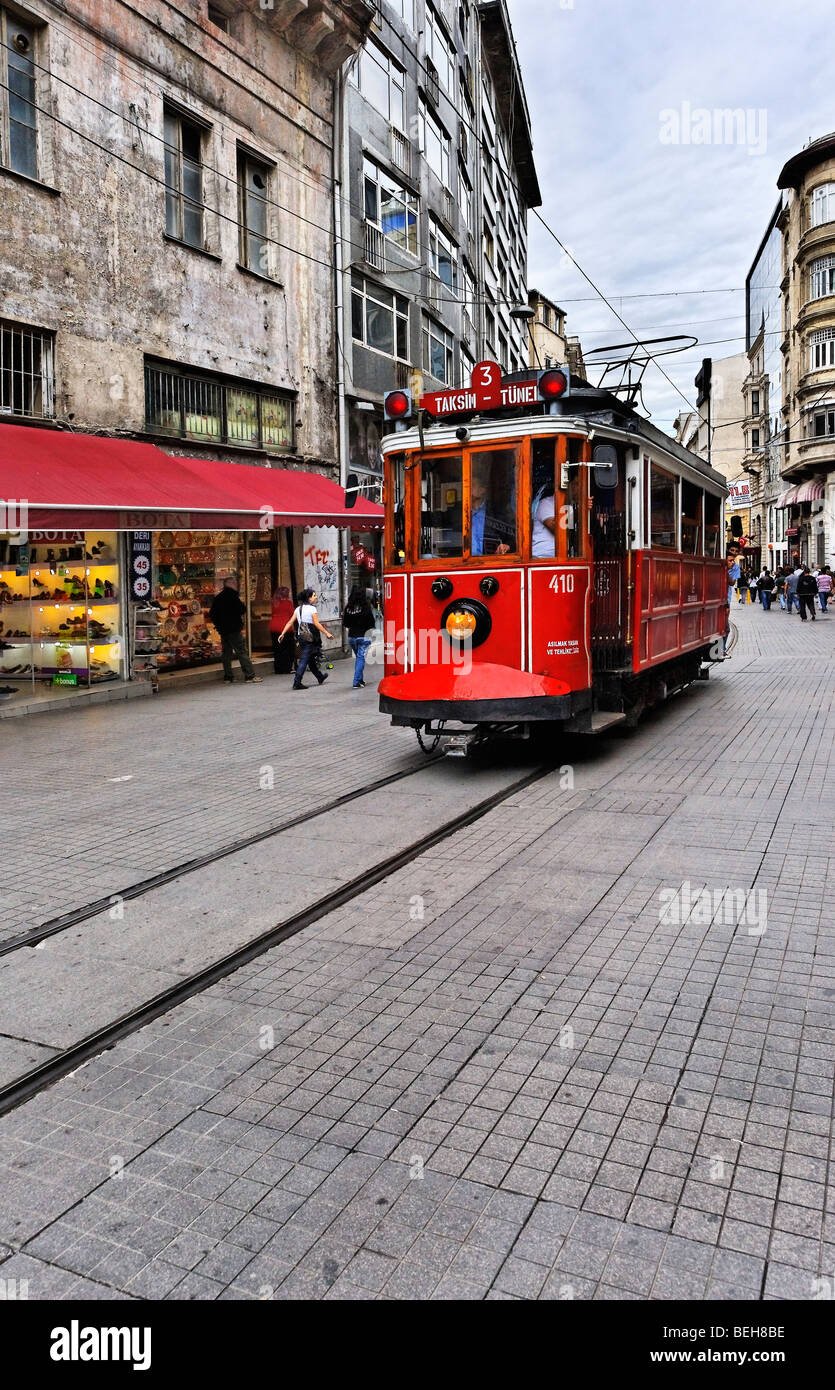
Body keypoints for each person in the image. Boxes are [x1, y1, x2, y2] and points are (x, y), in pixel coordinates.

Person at [208, 574, 262, 684]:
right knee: (241, 651)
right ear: (230, 584)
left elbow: (212, 614)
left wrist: (218, 625)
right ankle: (249, 675)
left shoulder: (218, 597)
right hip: (234, 628)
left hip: (223, 629)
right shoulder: (233, 596)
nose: (236, 585)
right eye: (234, 583)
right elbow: (242, 609)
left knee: (226, 653)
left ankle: (228, 676)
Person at [277, 587, 333, 689]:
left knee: (310, 658)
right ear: (309, 598)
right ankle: (297, 682)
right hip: (310, 637)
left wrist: (282, 633)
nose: (316, 597)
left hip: (301, 636)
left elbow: (290, 622)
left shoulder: (298, 609)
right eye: (314, 596)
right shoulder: (312, 609)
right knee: (304, 659)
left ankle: (320, 677)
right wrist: (327, 633)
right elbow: (316, 624)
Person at [470, 464, 513, 556]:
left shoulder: (497, 511)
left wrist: (507, 545)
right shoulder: (458, 511)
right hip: (462, 564)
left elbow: (512, 535)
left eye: (472, 485)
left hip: (490, 561)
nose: (467, 489)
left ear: (482, 490)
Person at [343, 586, 375, 689]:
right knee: (361, 659)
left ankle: (360, 680)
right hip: (363, 637)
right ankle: (356, 681)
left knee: (359, 658)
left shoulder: (348, 607)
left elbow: (345, 623)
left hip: (352, 637)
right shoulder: (366, 607)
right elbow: (371, 623)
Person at [269, 585, 296, 674]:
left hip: (274, 627)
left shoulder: (274, 603)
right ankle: (287, 668)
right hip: (285, 628)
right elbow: (293, 615)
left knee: (278, 649)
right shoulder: (288, 603)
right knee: (289, 649)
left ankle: (278, 668)